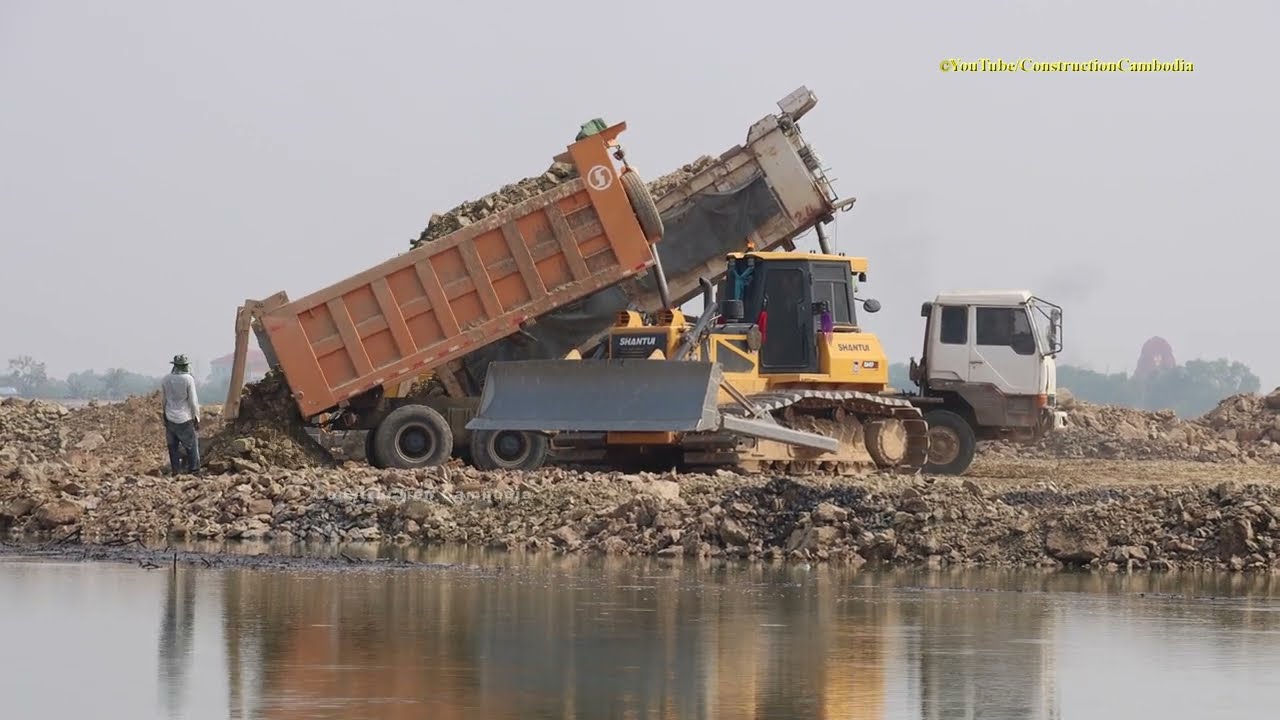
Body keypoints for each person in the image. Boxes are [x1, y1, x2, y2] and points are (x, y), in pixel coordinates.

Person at [161, 354, 201, 475]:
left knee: (172, 447)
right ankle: (194, 470)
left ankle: (176, 471)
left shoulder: (166, 379)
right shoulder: (188, 379)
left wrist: (164, 416)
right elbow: (193, 401)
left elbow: (163, 400)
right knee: (191, 445)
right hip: (185, 417)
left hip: (169, 416)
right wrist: (197, 417)